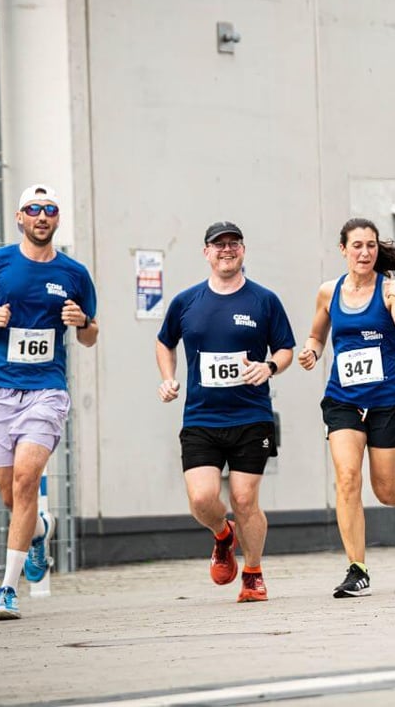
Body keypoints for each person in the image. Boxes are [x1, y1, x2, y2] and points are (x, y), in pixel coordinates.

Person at [0, 184, 99, 620]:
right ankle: (40, 530)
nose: (42, 216)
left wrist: (83, 322)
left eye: (50, 210)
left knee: (25, 482)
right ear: (20, 217)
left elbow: (91, 335)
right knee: (9, 494)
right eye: (33, 209)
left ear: (57, 219)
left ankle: (6, 590)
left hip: (46, 390)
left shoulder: (74, 273)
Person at [156, 221, 295, 603]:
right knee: (202, 499)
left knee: (245, 499)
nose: (227, 250)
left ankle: (252, 573)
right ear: (206, 253)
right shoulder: (186, 302)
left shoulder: (264, 300)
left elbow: (285, 349)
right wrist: (168, 378)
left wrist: (268, 367)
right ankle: (223, 534)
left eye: (234, 244)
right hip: (201, 418)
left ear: (243, 251)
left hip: (251, 417)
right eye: (219, 245)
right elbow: (164, 343)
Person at [297, 218, 395, 598]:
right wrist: (311, 351)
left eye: (371, 246)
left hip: (389, 399)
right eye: (357, 246)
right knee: (347, 478)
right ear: (343, 249)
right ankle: (357, 568)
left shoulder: (390, 291)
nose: (365, 253)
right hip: (343, 398)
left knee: (385, 489)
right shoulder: (329, 291)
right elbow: (317, 335)